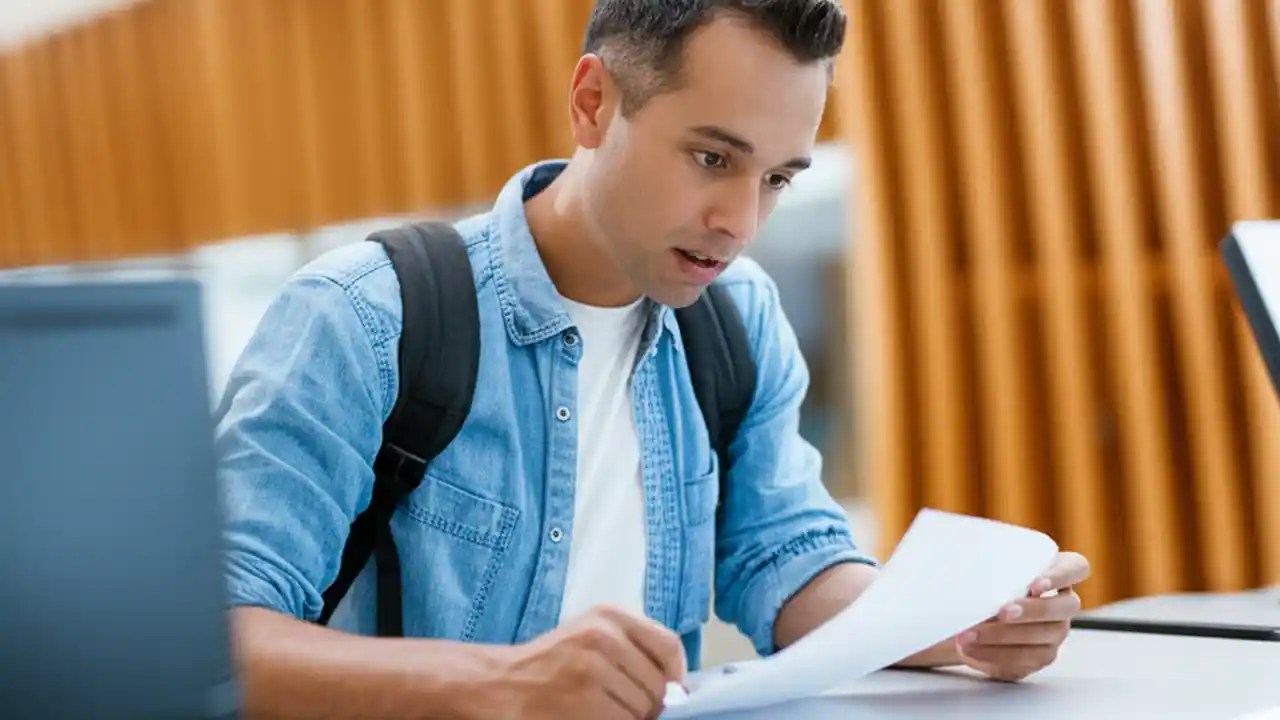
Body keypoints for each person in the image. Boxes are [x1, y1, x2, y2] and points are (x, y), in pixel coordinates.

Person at [216, 1, 1092, 718]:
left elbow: (784, 561)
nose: (740, 222)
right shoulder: (364, 316)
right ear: (594, 101)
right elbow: (215, 643)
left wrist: (962, 625)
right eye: (712, 158)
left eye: (778, 179)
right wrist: (499, 686)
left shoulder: (738, 318)